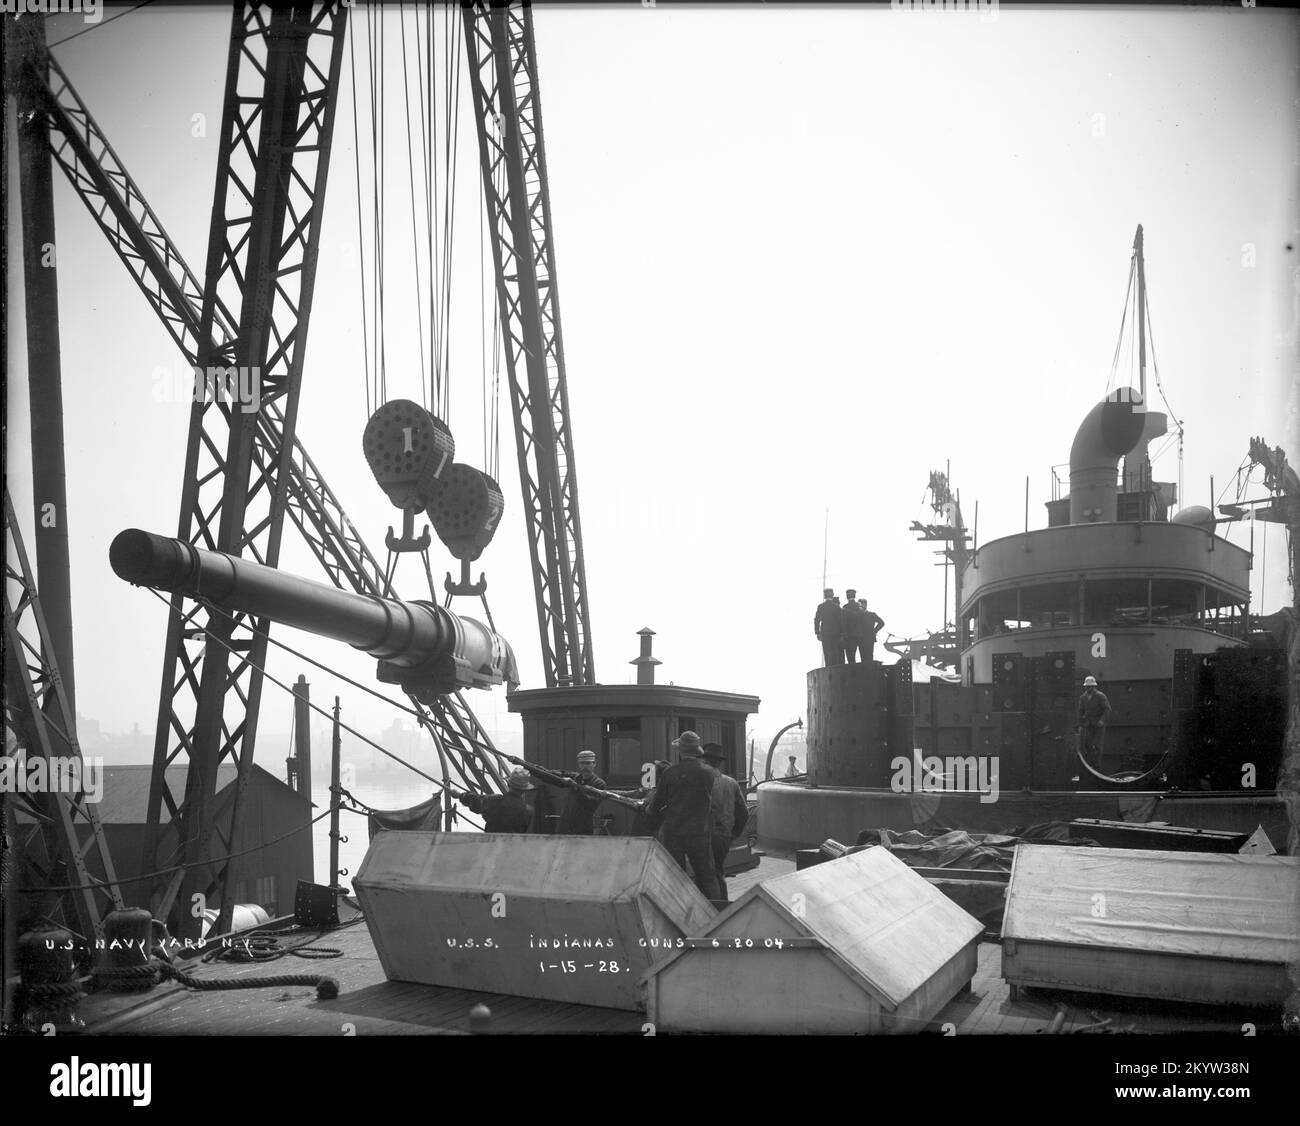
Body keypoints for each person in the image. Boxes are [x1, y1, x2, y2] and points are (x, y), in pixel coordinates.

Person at [646, 731, 721, 901]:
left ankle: (679, 912)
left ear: (680, 751)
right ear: (697, 751)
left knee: (675, 876)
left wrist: (649, 810)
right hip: (700, 832)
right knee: (707, 876)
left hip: (674, 833)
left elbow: (655, 805)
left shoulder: (671, 773)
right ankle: (716, 911)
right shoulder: (708, 773)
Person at [702, 743, 749, 903]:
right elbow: (744, 813)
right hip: (723, 836)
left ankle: (714, 908)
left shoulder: (702, 782)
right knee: (718, 871)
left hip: (705, 835)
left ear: (705, 761)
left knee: (707, 875)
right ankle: (724, 905)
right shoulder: (732, 783)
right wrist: (734, 833)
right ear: (720, 762)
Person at [454, 767, 534, 832]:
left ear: (508, 784)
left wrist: (458, 795)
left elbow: (475, 801)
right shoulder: (528, 812)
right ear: (525, 790)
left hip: (491, 847)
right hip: (514, 849)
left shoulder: (494, 801)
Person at [556, 749, 606, 835]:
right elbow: (557, 774)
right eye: (582, 763)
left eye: (588, 763)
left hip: (583, 826)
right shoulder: (575, 777)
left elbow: (591, 803)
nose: (585, 766)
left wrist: (575, 786)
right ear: (579, 765)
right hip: (565, 825)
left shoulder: (599, 783)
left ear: (594, 764)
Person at [629, 759, 672, 837]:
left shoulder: (660, 793)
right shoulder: (654, 790)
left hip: (649, 831)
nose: (652, 774)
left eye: (654, 772)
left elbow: (650, 808)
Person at [1077, 675, 1111, 758]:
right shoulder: (1083, 697)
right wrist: (1081, 725)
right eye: (1087, 687)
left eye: (1090, 687)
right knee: (1087, 744)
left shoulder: (1100, 696)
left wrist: (1102, 720)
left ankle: (1097, 765)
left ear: (1093, 687)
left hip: (1099, 724)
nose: (1088, 689)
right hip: (1088, 724)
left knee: (1097, 745)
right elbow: (1081, 711)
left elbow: (1107, 709)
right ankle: (1091, 762)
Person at [814, 588, 843, 667]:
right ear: (832, 595)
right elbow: (840, 621)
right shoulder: (836, 607)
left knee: (827, 653)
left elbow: (817, 620)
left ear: (824, 596)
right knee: (835, 652)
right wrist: (841, 633)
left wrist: (817, 632)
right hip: (836, 633)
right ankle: (835, 669)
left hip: (825, 633)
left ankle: (828, 668)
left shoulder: (821, 607)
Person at [842, 588, 867, 663]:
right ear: (855, 595)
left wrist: (844, 633)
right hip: (860, 634)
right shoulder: (859, 607)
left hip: (849, 635)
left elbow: (843, 622)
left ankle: (852, 673)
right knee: (864, 656)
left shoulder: (845, 607)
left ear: (847, 596)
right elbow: (863, 620)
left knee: (851, 657)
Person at [857, 598, 885, 664]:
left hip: (869, 639)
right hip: (860, 639)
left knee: (869, 657)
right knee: (863, 658)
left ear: (865, 605)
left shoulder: (872, 614)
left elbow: (881, 623)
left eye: (860, 605)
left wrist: (874, 631)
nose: (859, 607)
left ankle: (870, 671)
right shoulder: (857, 615)